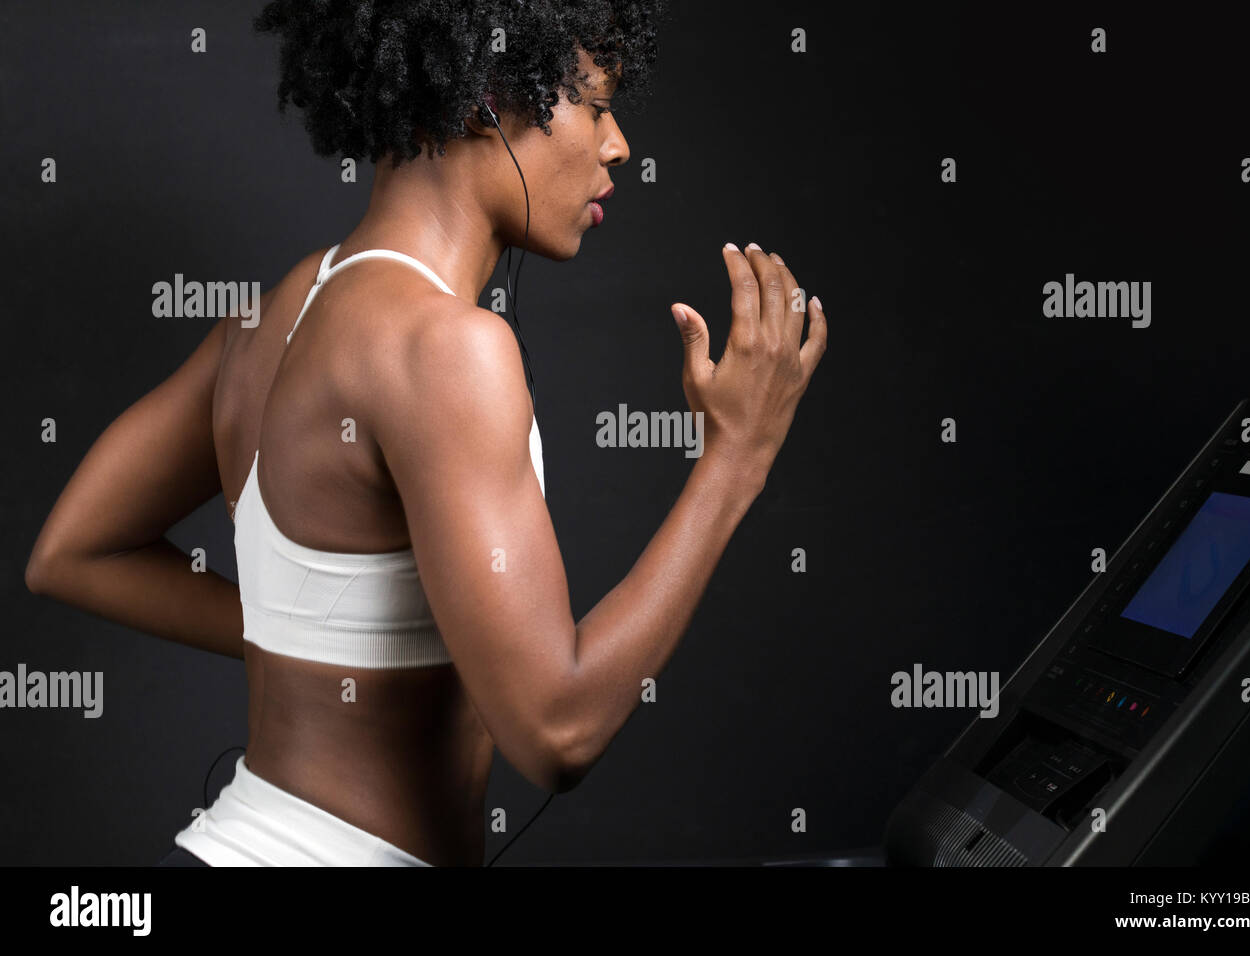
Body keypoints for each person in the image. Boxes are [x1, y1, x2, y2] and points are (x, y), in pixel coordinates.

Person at [24, 0, 827, 866]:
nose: (617, 145)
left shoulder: (268, 322)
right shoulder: (449, 350)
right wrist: (737, 455)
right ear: (487, 93)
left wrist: (302, 641)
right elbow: (558, 733)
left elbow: (72, 554)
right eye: (594, 103)